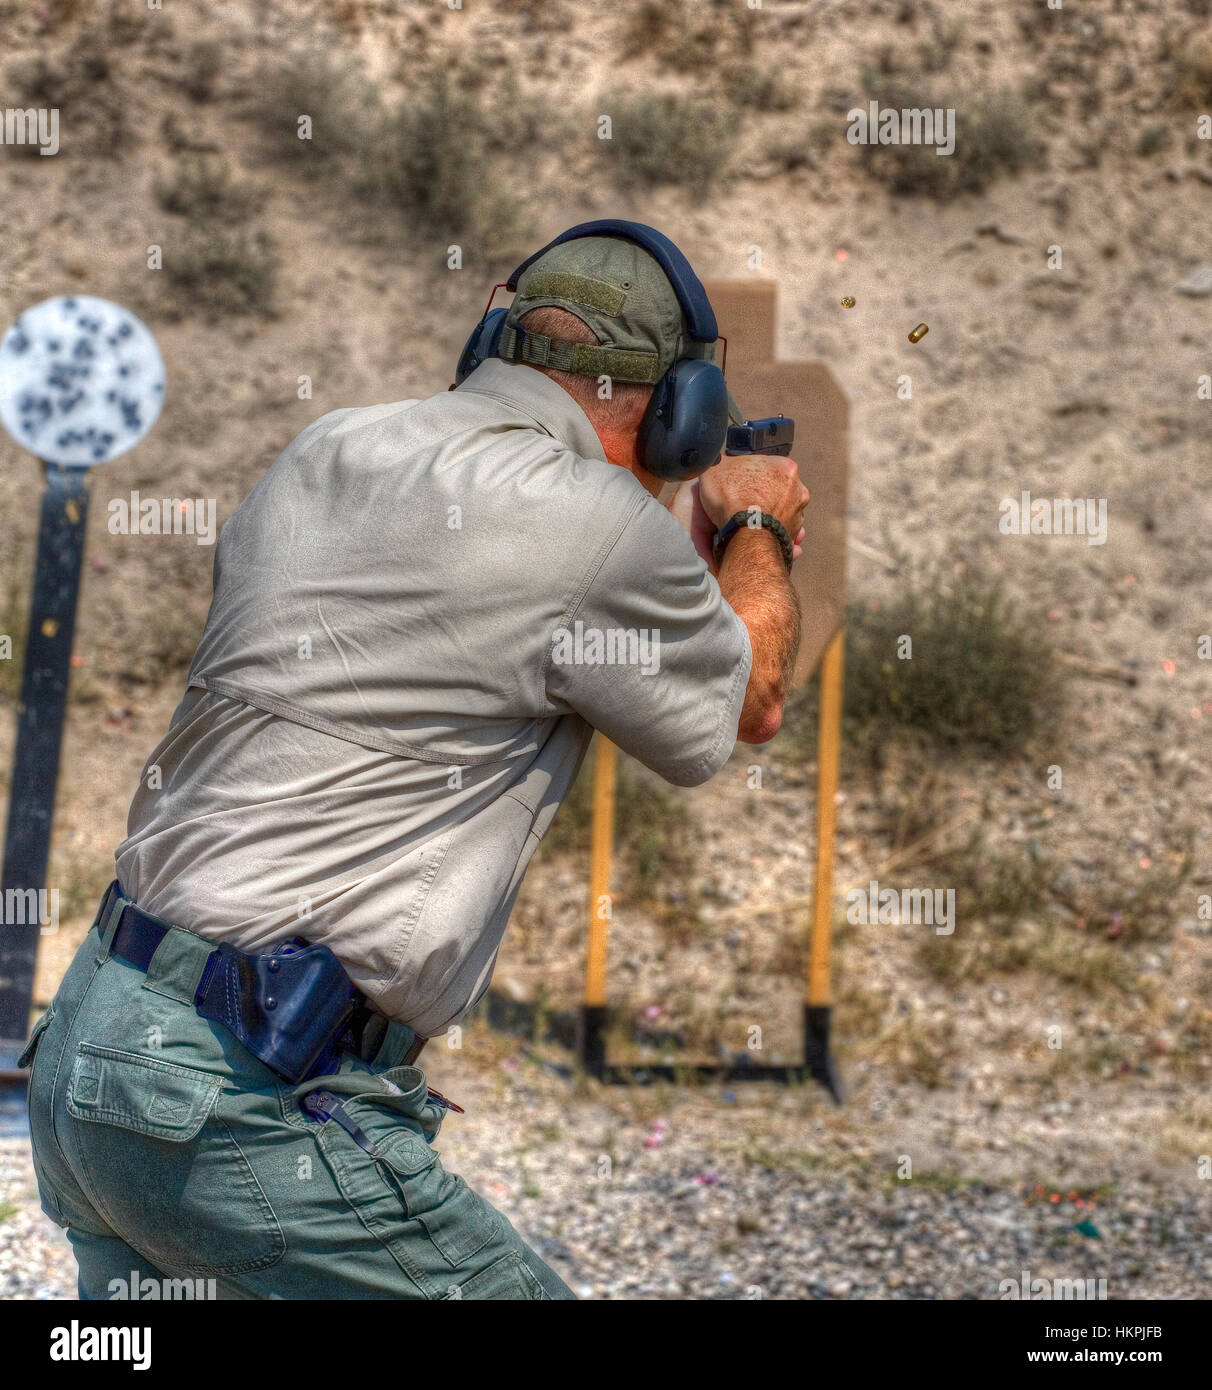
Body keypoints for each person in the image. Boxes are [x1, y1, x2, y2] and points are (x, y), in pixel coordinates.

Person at [22, 222, 809, 1300]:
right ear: (680, 416)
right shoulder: (593, 525)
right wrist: (753, 518)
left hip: (91, 1058)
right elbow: (747, 703)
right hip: (233, 1107)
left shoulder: (328, 448)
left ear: (495, 336)